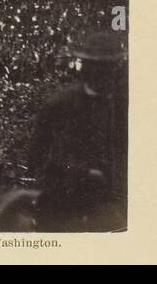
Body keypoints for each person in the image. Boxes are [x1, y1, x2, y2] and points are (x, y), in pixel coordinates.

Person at [28, 30, 127, 232]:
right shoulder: (59, 105)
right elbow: (36, 158)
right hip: (65, 195)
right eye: (97, 65)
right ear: (86, 66)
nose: (105, 73)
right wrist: (81, 172)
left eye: (110, 66)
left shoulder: (121, 105)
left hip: (112, 194)